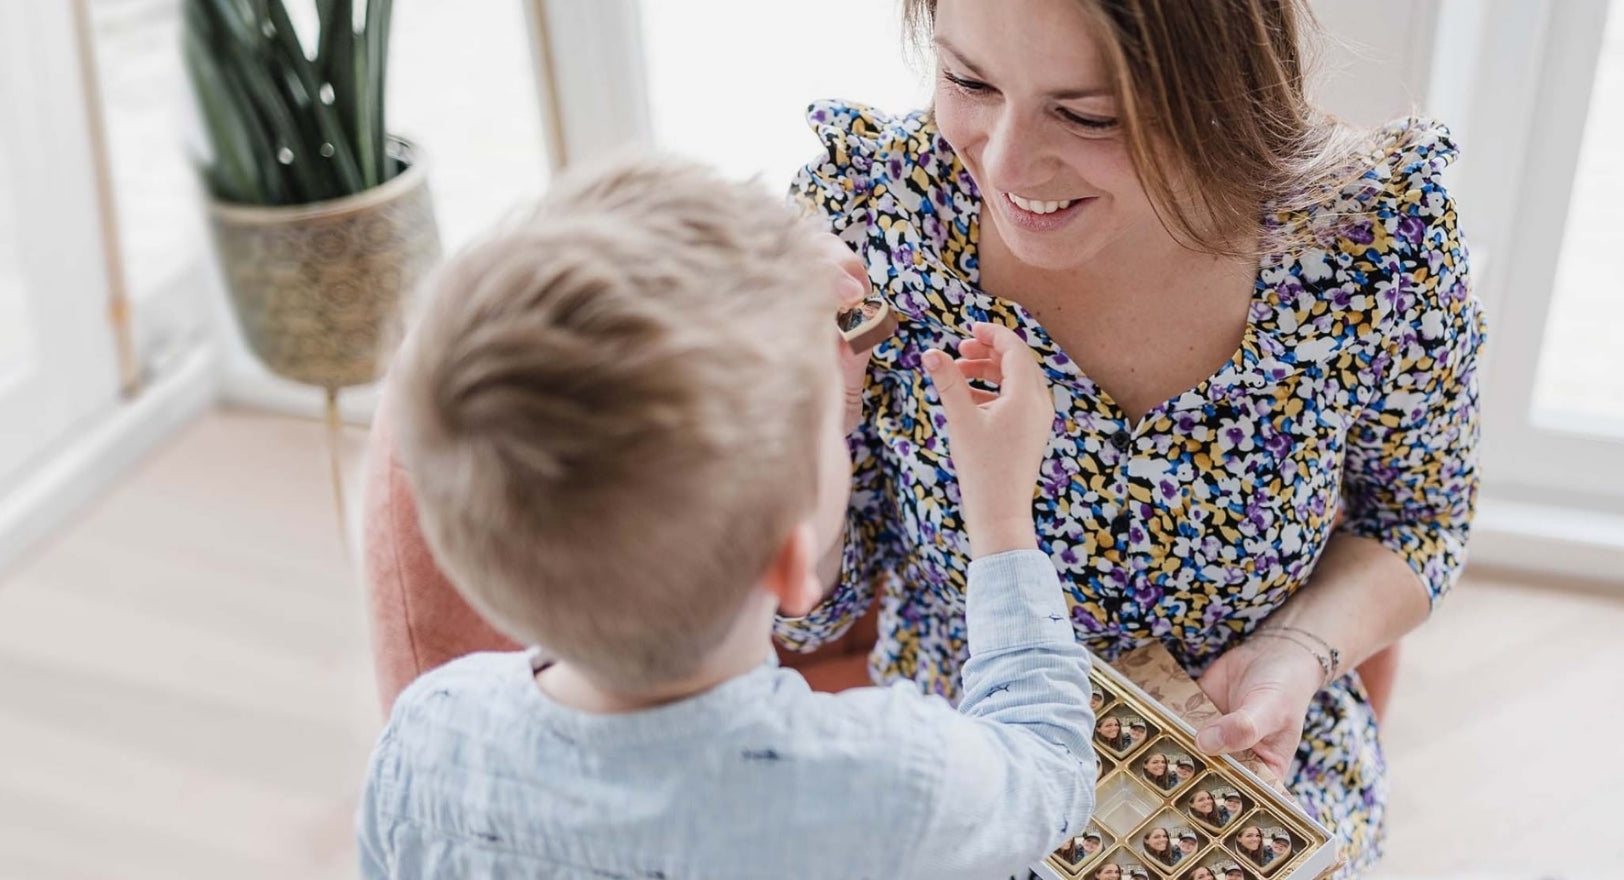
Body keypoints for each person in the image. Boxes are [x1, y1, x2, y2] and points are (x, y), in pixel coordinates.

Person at [774, 1, 1485, 875]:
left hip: (1249, 776)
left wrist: (1292, 655)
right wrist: (813, 418)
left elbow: (1419, 522)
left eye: (1087, 115)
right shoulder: (877, 218)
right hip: (961, 773)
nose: (1004, 163)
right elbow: (804, 612)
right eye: (968, 81)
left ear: (1220, 87)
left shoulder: (1373, 243)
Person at [356, 157, 1097, 879]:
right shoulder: (889, 781)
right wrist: (1001, 521)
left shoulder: (430, 732)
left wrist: (816, 416)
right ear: (792, 562)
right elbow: (1048, 769)